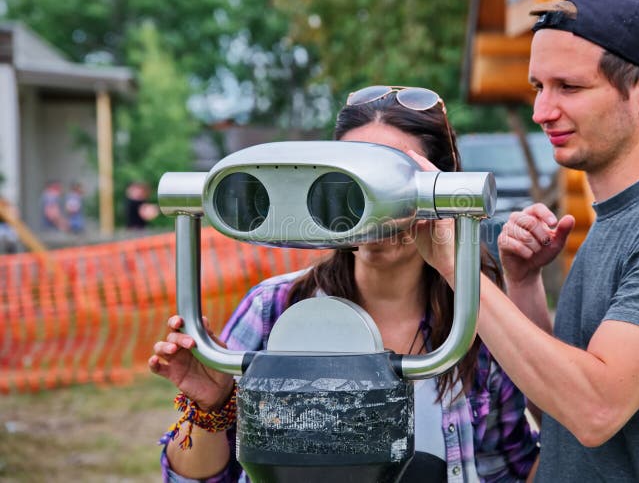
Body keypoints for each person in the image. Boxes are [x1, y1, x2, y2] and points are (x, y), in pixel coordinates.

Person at [411, 0, 639, 481]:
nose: (542, 111)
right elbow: (554, 407)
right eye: (538, 87)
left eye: (569, 87)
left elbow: (594, 411)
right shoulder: (619, 219)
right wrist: (524, 283)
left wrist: (455, 264)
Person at [149, 86, 541, 482]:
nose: (372, 206)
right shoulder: (274, 307)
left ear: (442, 189)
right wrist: (210, 408)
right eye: (351, 183)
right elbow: (191, 479)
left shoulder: (476, 322)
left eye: (392, 182)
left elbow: (512, 469)